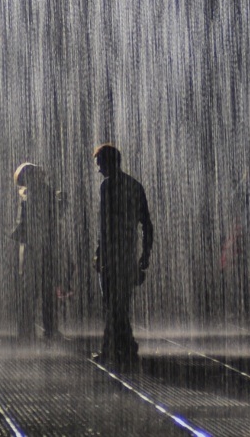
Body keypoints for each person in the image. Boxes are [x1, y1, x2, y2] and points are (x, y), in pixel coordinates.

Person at [91, 143, 153, 368]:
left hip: (111, 256)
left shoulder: (107, 186)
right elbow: (147, 224)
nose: (98, 170)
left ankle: (116, 350)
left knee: (112, 305)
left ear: (108, 163)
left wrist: (100, 253)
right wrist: (144, 256)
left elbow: (105, 225)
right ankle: (124, 347)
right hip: (128, 256)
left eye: (99, 165)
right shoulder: (135, 186)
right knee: (120, 305)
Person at [11, 162, 61, 341]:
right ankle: (41, 329)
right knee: (36, 289)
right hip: (35, 245)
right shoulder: (31, 194)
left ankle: (35, 329)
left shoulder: (40, 194)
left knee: (38, 289)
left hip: (37, 245)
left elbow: (50, 219)